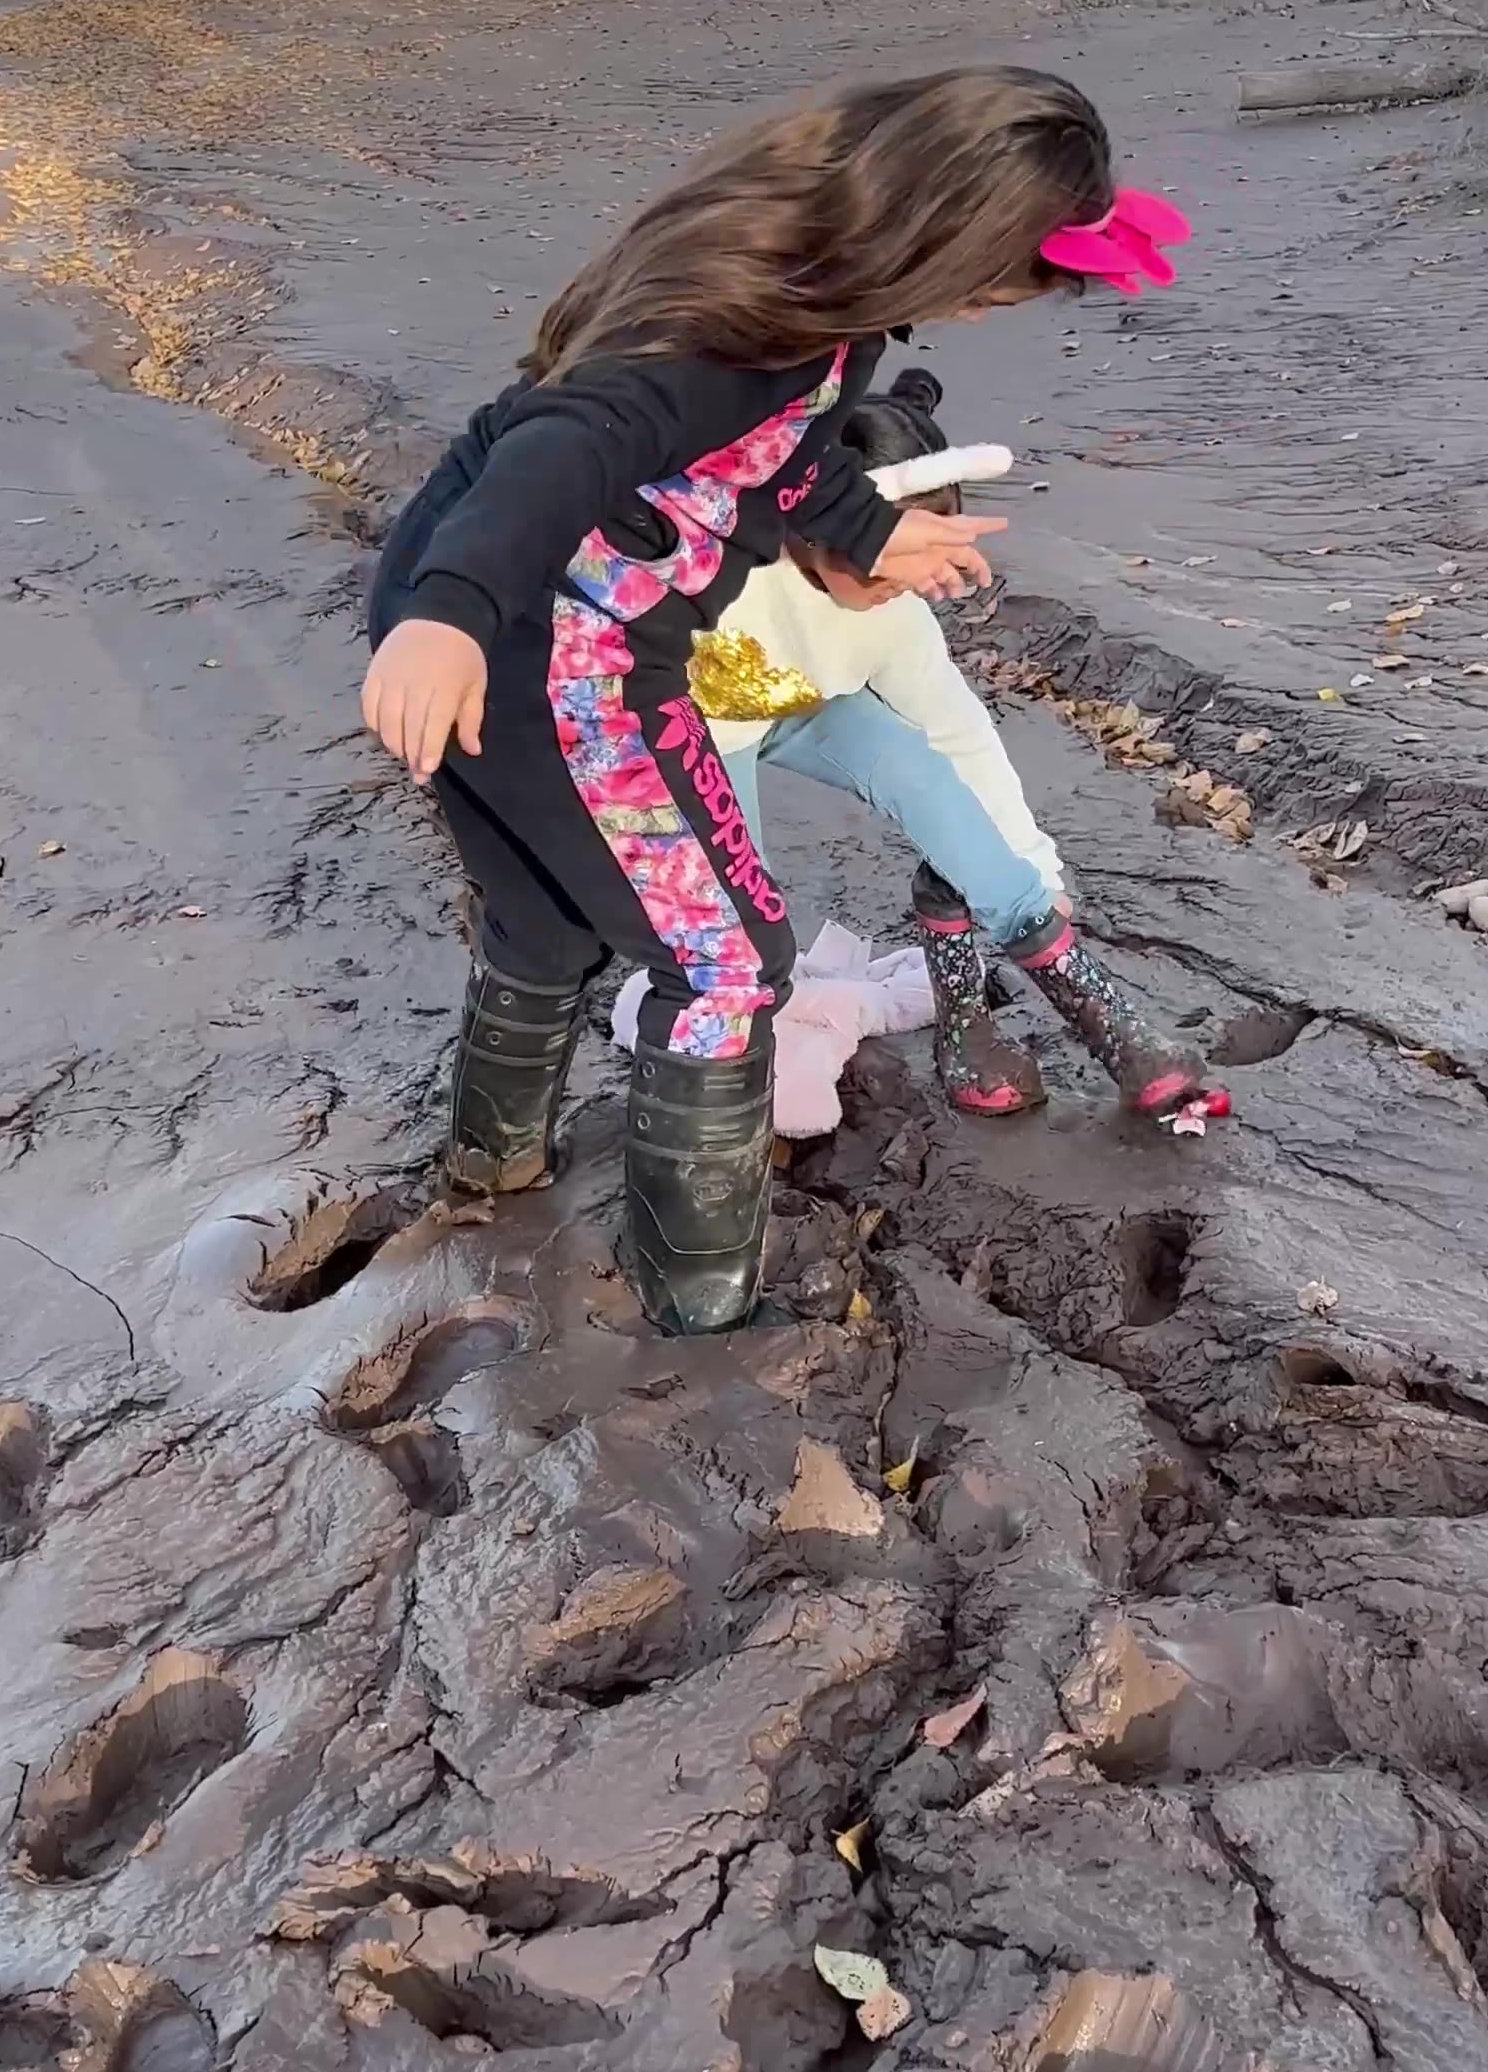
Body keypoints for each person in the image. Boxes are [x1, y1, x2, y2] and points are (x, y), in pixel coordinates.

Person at [362, 66, 1184, 1338]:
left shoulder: (824, 311)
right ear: (933, 237)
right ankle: (696, 1314)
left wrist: (867, 538)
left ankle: (492, 1174)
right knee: (728, 960)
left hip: (515, 624)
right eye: (980, 289)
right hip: (540, 648)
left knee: (545, 916)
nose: (971, 315)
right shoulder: (720, 340)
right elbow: (559, 447)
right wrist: (449, 616)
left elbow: (792, 459)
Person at [697, 367, 1225, 1125]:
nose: (914, 579)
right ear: (820, 518)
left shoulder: (894, 616)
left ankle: (1094, 1022)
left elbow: (960, 733)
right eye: (894, 554)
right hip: (691, 730)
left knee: (929, 777)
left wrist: (1031, 873)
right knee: (742, 922)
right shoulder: (726, 567)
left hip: (800, 708)